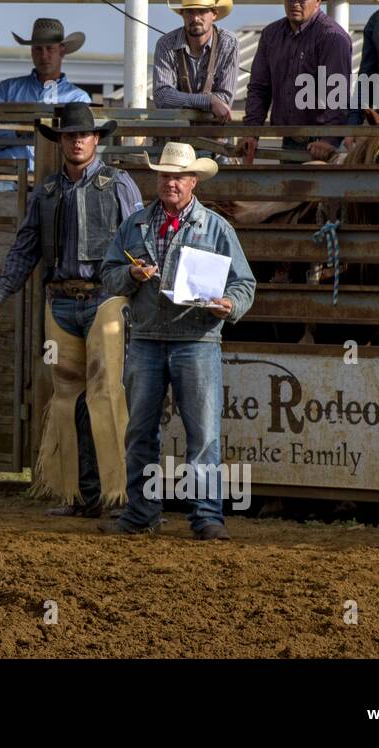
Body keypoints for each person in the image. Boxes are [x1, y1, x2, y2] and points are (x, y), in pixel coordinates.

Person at [0, 103, 142, 516]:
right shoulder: (48, 192)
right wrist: (0, 292)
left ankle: (115, 495)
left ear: (95, 140)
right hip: (62, 302)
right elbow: (25, 247)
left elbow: (139, 243)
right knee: (67, 394)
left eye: (82, 135)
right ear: (61, 141)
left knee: (105, 392)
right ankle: (78, 493)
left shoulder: (118, 183)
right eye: (69, 135)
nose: (76, 141)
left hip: (106, 299)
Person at [100, 143, 255, 540]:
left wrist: (230, 303)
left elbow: (244, 283)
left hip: (197, 339)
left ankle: (204, 516)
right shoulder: (135, 225)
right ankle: (144, 512)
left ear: (193, 181)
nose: (170, 182)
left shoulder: (218, 228)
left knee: (201, 433)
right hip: (150, 338)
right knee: (141, 431)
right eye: (164, 175)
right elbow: (109, 272)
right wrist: (129, 277)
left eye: (178, 176)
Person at [241, 0, 352, 163]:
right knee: (292, 191)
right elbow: (259, 88)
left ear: (318, 0)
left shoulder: (332, 37)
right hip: (290, 137)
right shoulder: (271, 35)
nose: (295, 3)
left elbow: (337, 92)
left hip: (323, 144)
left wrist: (330, 139)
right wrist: (251, 132)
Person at [0, 18, 92, 189]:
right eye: (38, 49)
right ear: (31, 51)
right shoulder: (5, 90)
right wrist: (20, 130)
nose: (44, 56)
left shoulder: (78, 99)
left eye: (49, 49)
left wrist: (14, 128)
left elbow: (82, 146)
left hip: (59, 184)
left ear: (61, 51)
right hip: (8, 181)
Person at [153, 0, 239, 119]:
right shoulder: (165, 44)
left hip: (213, 135)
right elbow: (162, 97)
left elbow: (225, 99)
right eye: (190, 11)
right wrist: (209, 101)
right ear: (182, 13)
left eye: (202, 11)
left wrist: (182, 100)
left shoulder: (228, 43)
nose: (195, 18)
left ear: (214, 14)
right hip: (175, 135)